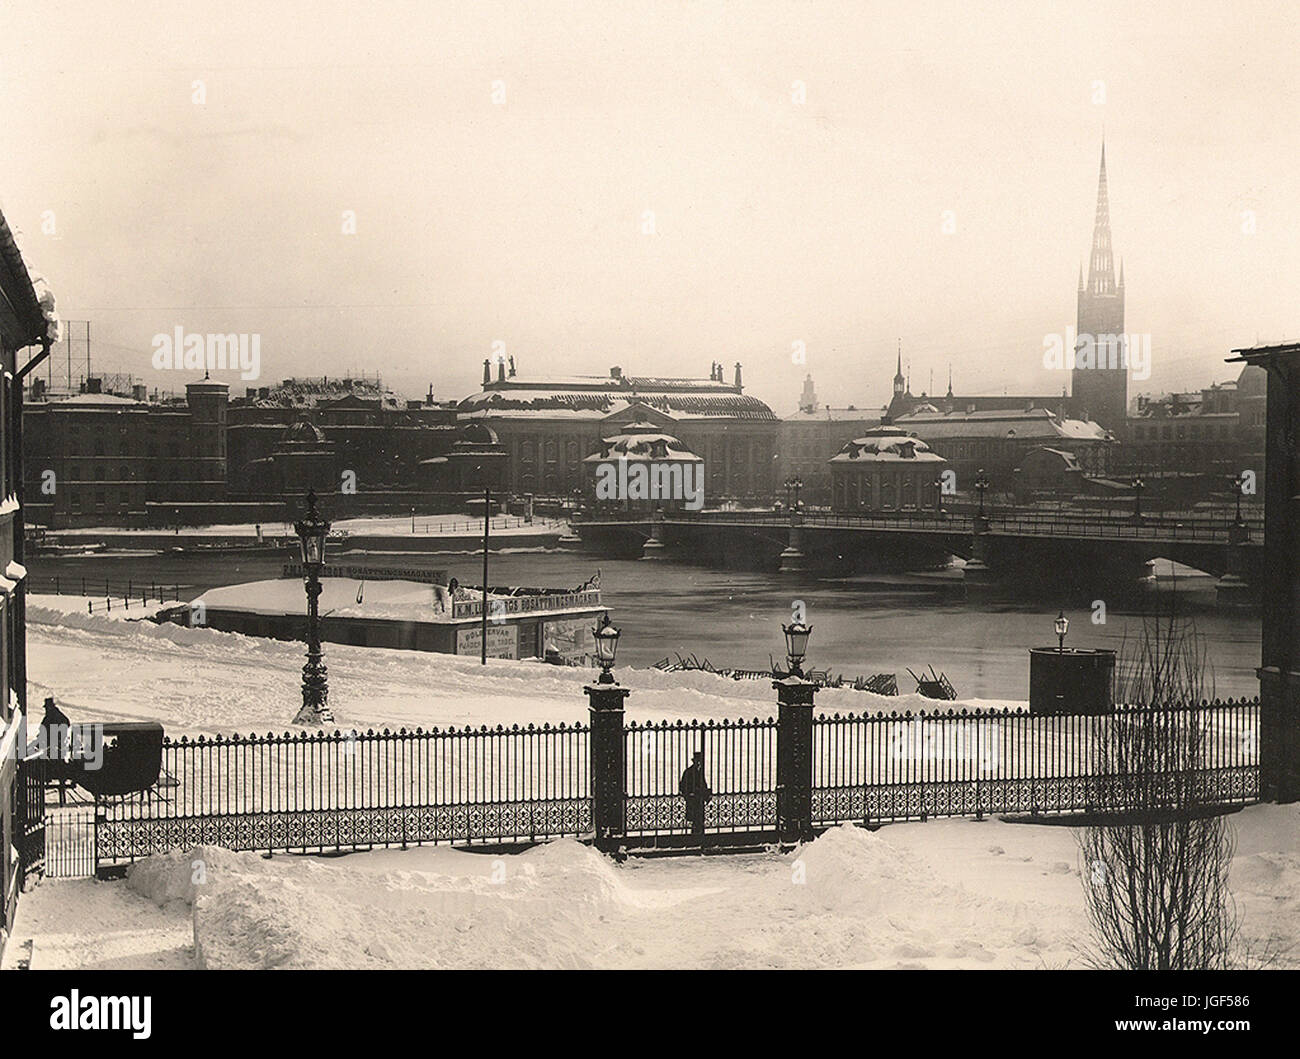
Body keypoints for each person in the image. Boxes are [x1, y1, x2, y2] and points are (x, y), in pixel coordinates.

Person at [678, 750, 711, 837]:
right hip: (693, 799)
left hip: (698, 799)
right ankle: (695, 836)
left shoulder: (699, 772)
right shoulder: (689, 772)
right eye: (698, 761)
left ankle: (698, 836)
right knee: (696, 819)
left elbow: (703, 785)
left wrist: (706, 794)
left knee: (699, 819)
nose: (699, 762)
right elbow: (683, 787)